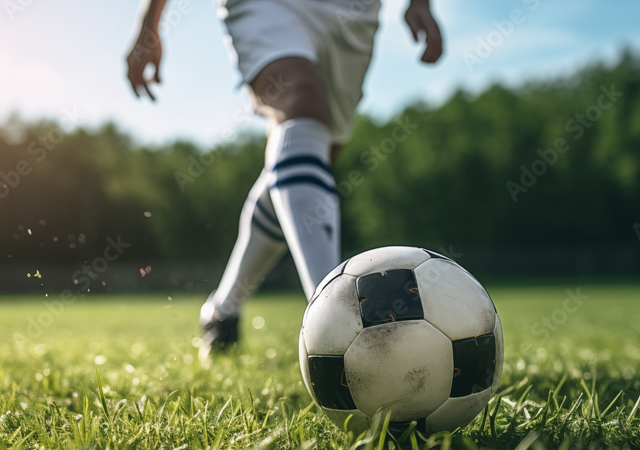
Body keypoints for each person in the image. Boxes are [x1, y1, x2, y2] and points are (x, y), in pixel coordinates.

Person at [125, 0, 443, 360]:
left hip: (354, 13)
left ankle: (222, 310)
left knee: (305, 163)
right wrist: (148, 24)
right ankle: (336, 324)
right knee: (301, 105)